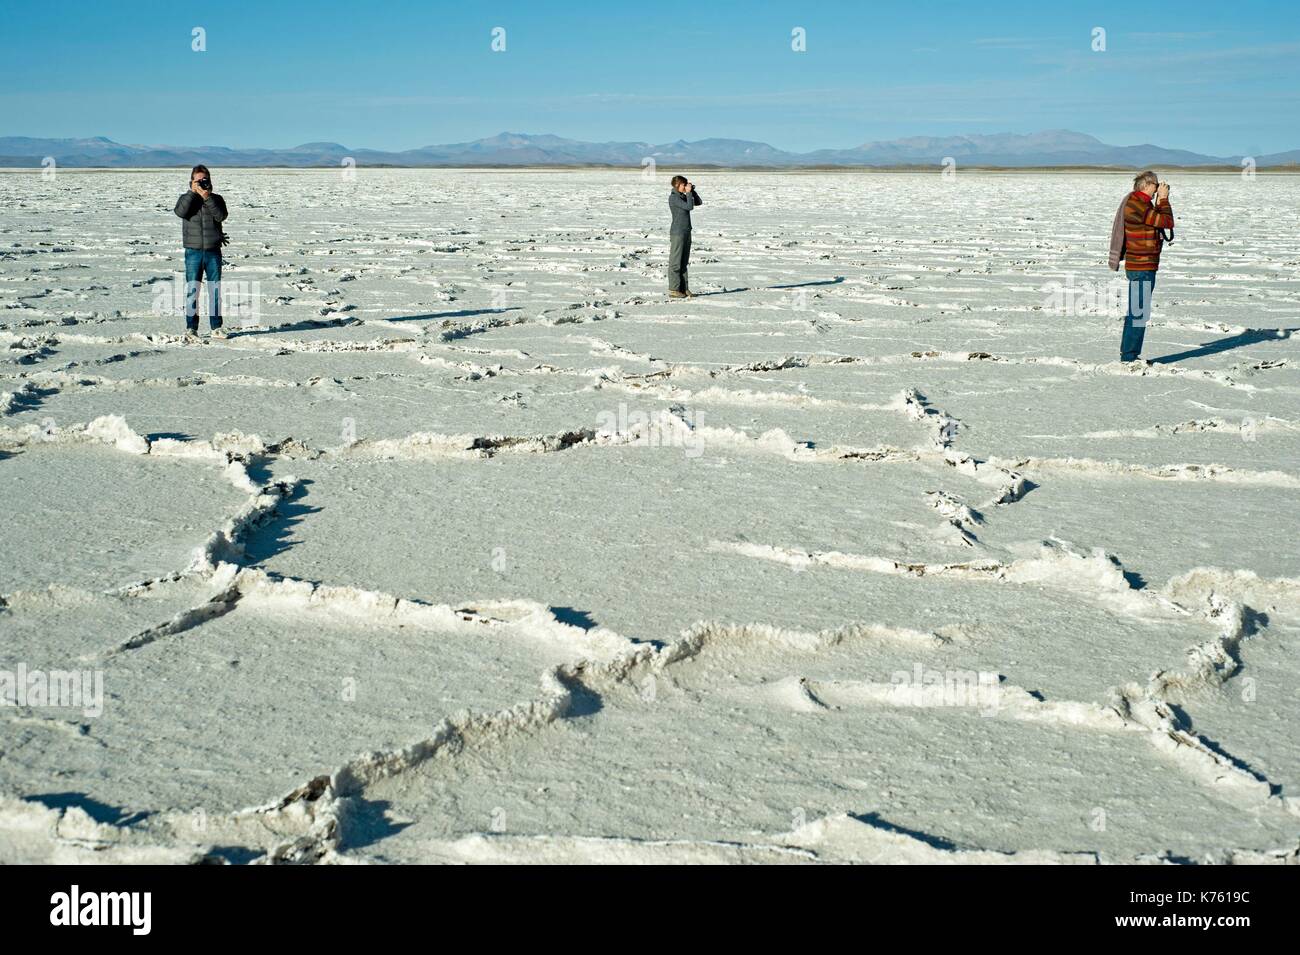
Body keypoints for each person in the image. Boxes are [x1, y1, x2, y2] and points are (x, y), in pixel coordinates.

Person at [1109, 170, 1173, 364]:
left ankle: (1130, 354)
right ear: (1146, 185)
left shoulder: (1141, 204)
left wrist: (1158, 201)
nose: (1157, 188)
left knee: (1138, 311)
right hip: (1141, 267)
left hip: (1143, 266)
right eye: (1155, 185)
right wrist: (1163, 200)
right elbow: (1166, 221)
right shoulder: (1136, 205)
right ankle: (1129, 357)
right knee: (1138, 312)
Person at [174, 164, 229, 338]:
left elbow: (221, 216)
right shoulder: (186, 198)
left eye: (205, 179)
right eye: (198, 180)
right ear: (191, 181)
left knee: (214, 290)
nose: (202, 183)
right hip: (193, 251)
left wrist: (207, 197)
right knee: (192, 290)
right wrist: (193, 193)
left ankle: (216, 328)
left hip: (213, 251)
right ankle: (191, 328)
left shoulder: (216, 199)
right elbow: (180, 212)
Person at [667, 175, 702, 298]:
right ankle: (673, 289)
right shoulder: (673, 198)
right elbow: (689, 207)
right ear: (677, 185)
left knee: (683, 262)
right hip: (678, 232)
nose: (685, 186)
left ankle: (684, 288)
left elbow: (698, 203)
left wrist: (693, 192)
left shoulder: (683, 196)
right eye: (683, 184)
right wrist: (688, 194)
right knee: (675, 262)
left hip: (686, 231)